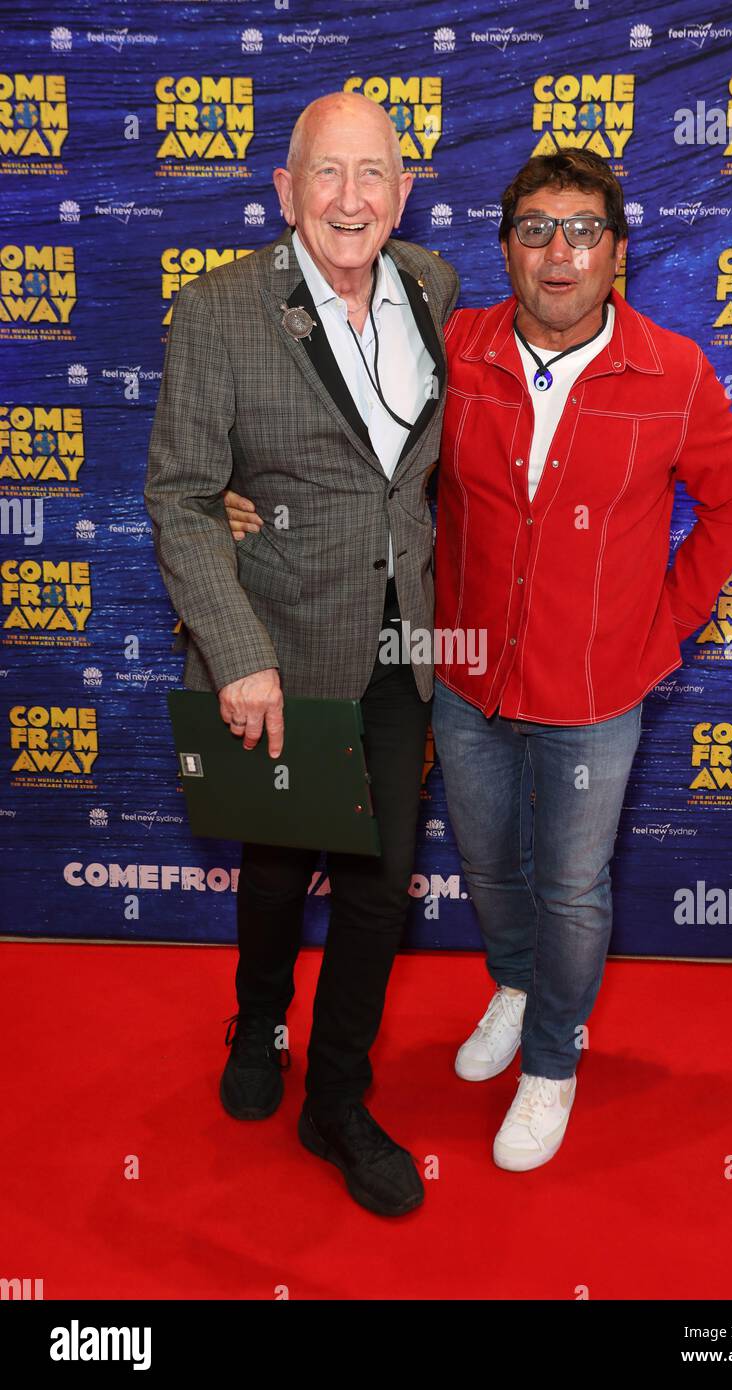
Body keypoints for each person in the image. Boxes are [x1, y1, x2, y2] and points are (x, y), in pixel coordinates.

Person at [223, 149, 732, 1175]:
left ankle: (553, 1058)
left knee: (568, 885)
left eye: (581, 232)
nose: (557, 254)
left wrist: (661, 624)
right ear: (504, 246)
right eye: (533, 230)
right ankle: (514, 985)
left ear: (616, 250)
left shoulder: (673, 370)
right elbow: (343, 440)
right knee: (482, 864)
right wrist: (237, 489)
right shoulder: (452, 347)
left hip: (596, 690)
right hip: (461, 672)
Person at [144, 91, 459, 1217]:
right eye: (325, 174)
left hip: (399, 643)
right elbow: (183, 499)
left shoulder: (430, 284)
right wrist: (235, 653)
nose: (349, 199)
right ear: (283, 191)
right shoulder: (220, 308)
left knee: (380, 890)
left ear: (402, 190)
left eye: (371, 173)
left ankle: (337, 1096)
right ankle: (260, 1016)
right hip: (275, 642)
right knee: (277, 869)